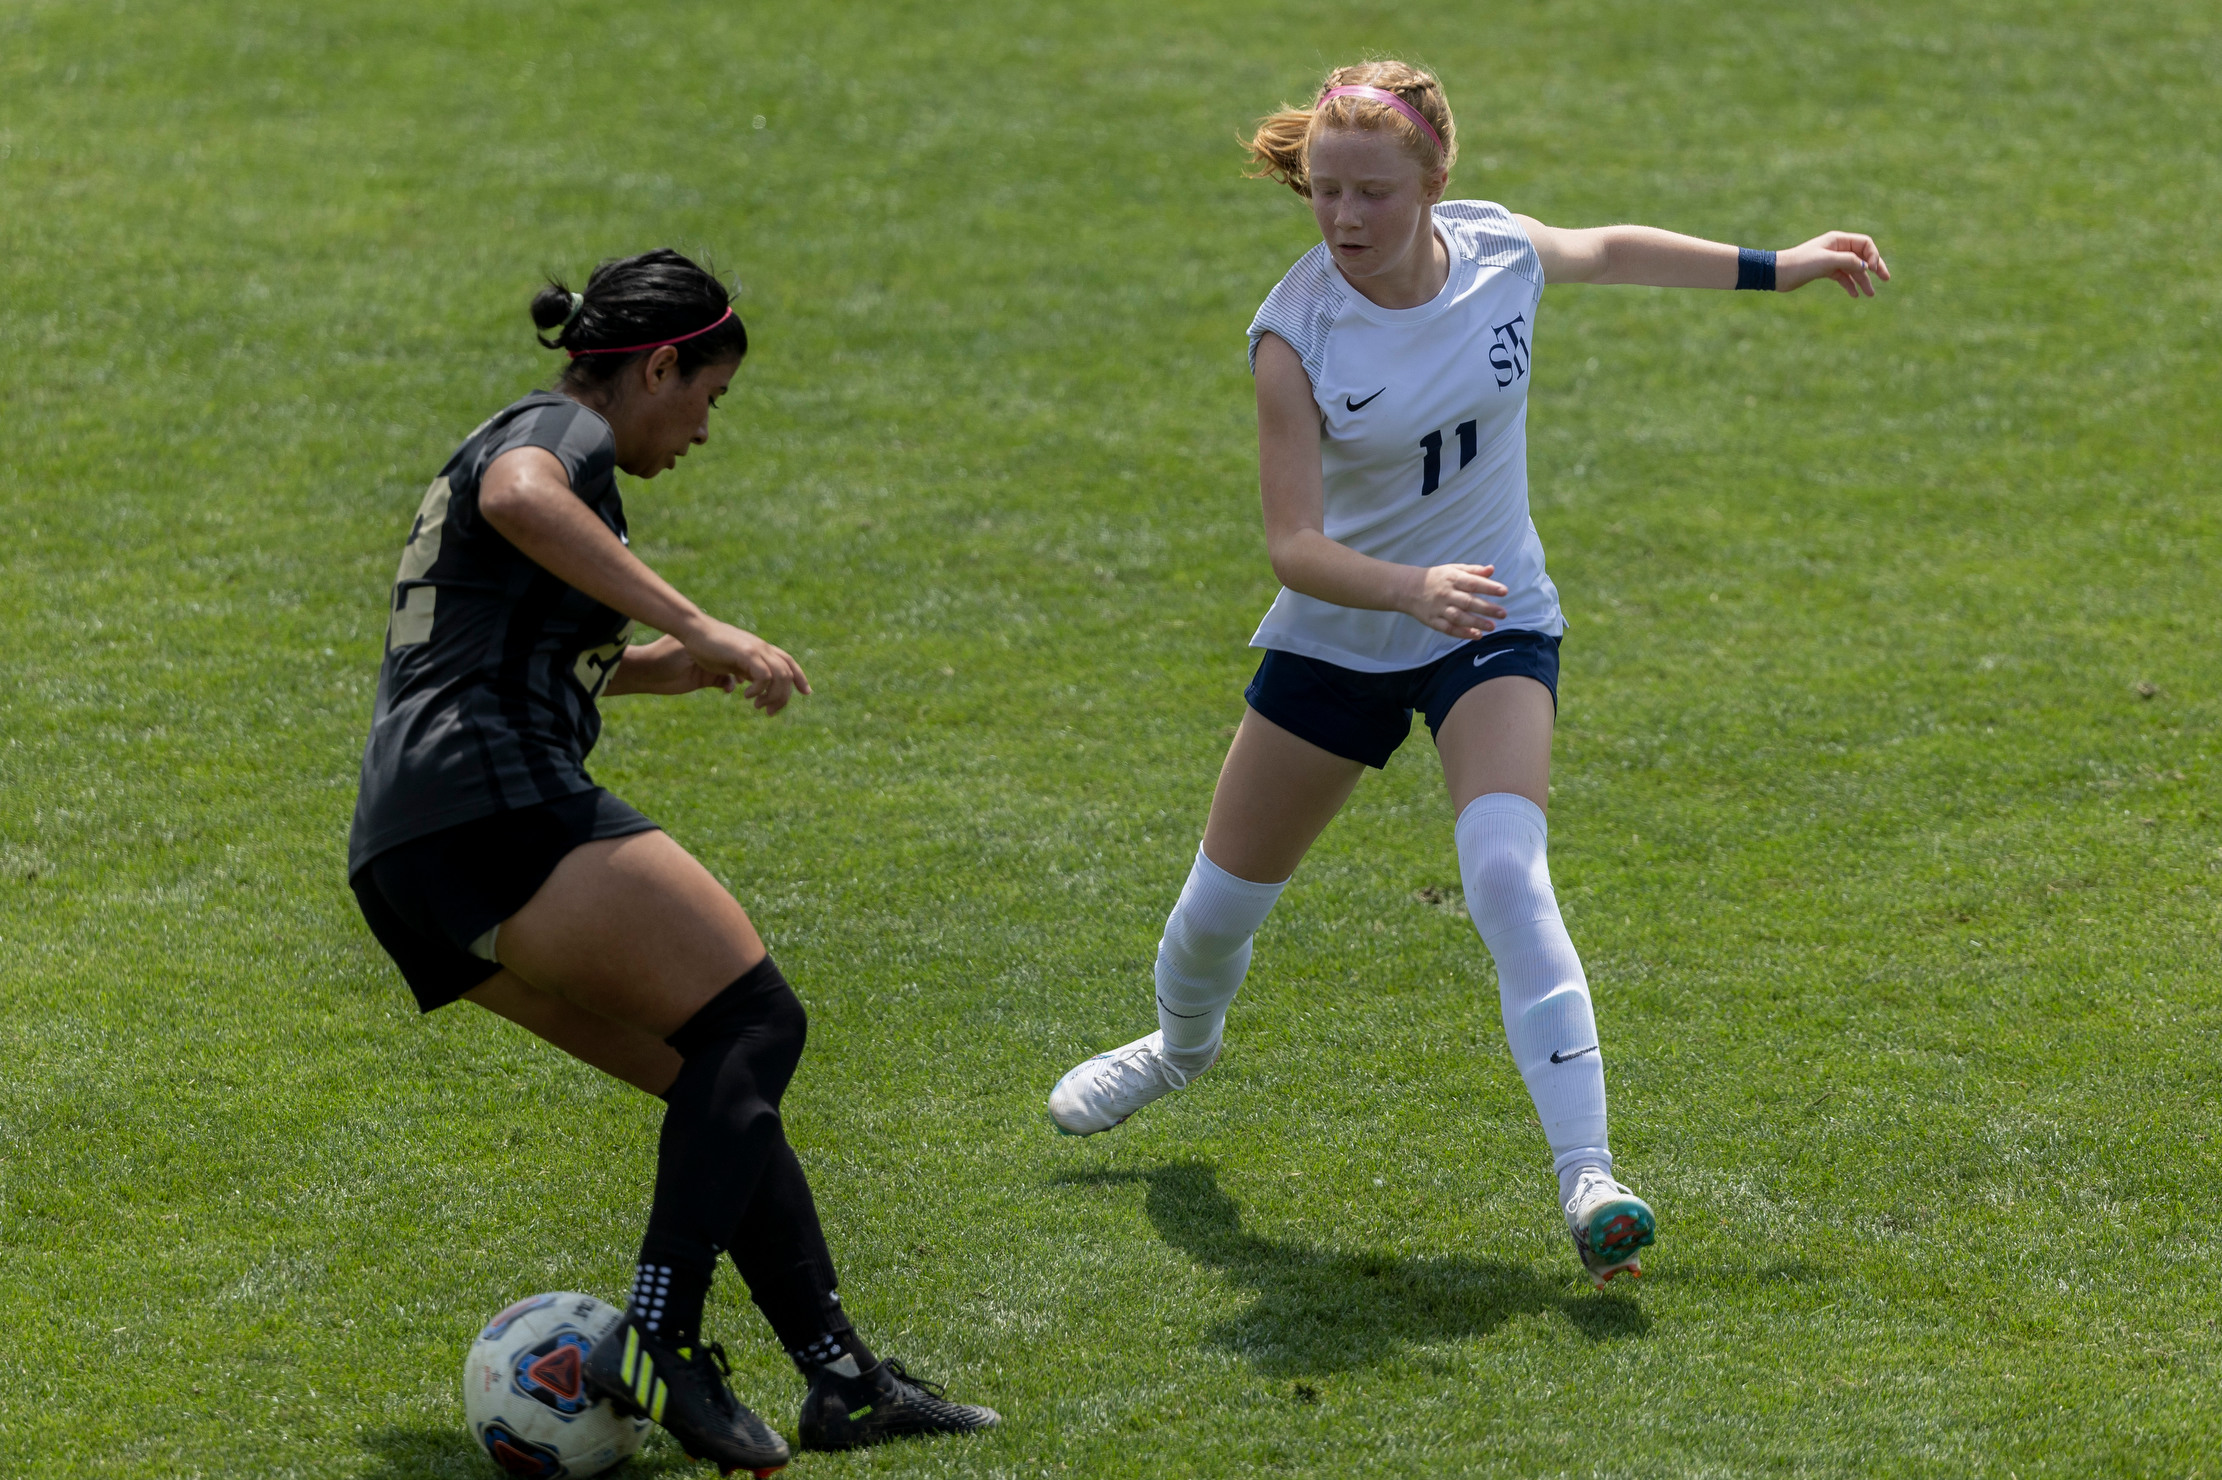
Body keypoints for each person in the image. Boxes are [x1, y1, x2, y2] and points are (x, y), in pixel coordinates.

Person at [1047, 63, 1888, 1288]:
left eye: (1371, 192)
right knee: (1213, 915)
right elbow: (1293, 546)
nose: (1342, 217)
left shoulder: (1498, 250)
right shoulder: (1293, 339)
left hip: (1491, 623)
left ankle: (1588, 1177)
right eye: (1325, 190)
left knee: (1504, 872)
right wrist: (1405, 588)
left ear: (1435, 181)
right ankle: (1180, 1048)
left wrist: (1783, 262)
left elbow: (1606, 247)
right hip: (1342, 634)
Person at [347, 249, 997, 1473]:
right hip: (490, 806)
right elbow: (519, 501)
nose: (703, 428)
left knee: (716, 1087)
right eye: (706, 395)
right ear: (656, 365)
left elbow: (507, 641)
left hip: (409, 857)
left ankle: (842, 1378)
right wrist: (695, 622)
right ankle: (659, 1335)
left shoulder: (535, 437)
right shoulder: (559, 435)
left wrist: (656, 667)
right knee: (756, 1021)